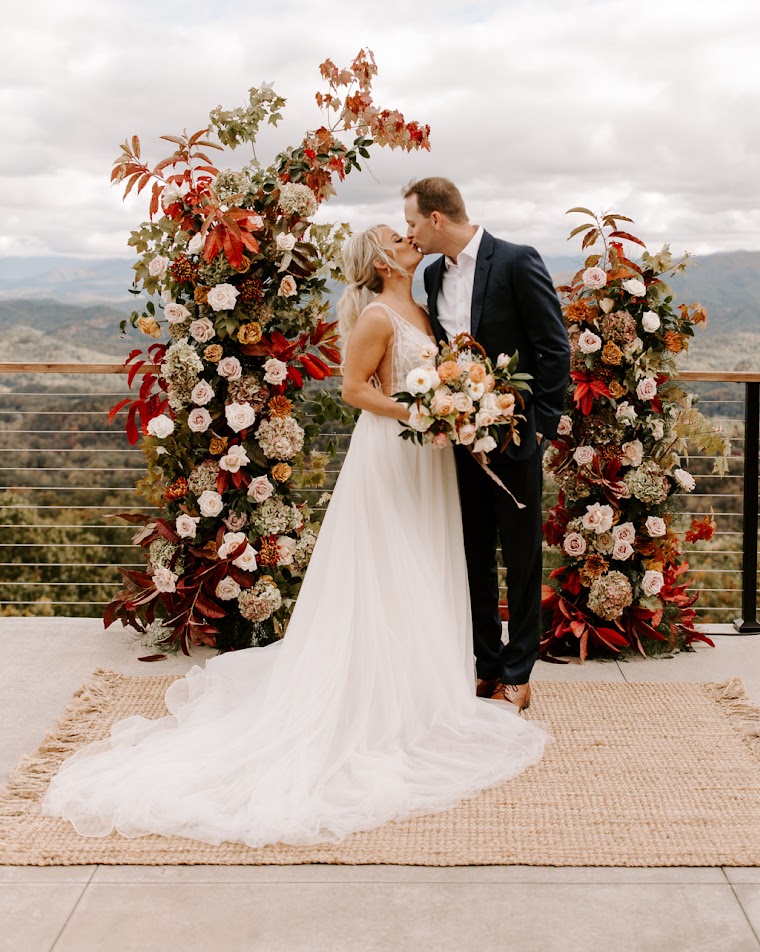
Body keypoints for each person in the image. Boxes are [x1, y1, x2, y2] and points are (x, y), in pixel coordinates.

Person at [41, 225, 547, 847]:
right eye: (398, 235)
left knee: (426, 559)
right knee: (390, 562)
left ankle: (429, 677)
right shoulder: (379, 314)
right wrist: (423, 411)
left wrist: (449, 405)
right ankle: (382, 692)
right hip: (394, 450)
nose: (409, 235)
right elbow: (355, 389)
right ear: (384, 258)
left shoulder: (421, 301)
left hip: (429, 456)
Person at [404, 179, 572, 713]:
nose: (409, 231)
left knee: (520, 556)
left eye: (411, 222)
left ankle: (520, 671)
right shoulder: (432, 275)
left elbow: (553, 347)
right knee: (472, 550)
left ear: (436, 218)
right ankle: (486, 665)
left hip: (517, 438)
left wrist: (541, 426)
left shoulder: (518, 261)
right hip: (458, 438)